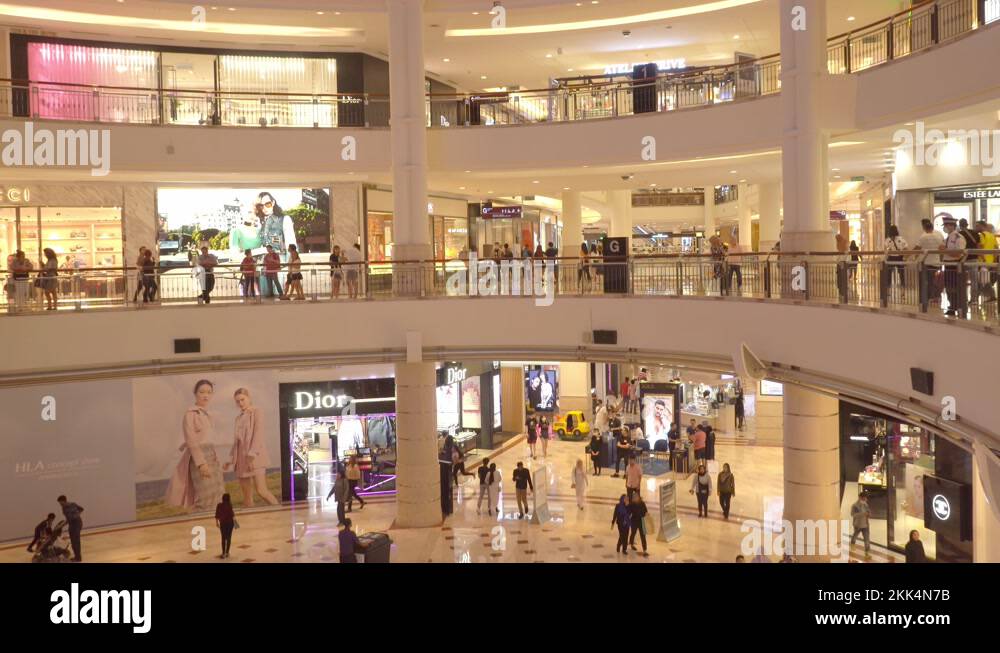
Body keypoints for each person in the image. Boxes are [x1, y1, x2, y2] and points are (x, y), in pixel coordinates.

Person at [165, 379, 225, 512]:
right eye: (202, 392)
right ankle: (199, 526)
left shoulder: (208, 415)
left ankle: (216, 528)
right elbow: (191, 440)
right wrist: (201, 464)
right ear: (195, 393)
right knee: (206, 498)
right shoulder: (190, 414)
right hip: (200, 458)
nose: (206, 395)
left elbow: (207, 438)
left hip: (212, 456)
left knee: (218, 494)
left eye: (209, 392)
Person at [225, 388, 279, 508]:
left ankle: (278, 511)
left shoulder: (257, 412)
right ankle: (251, 522)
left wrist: (251, 456)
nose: (240, 403)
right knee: (247, 497)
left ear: (249, 398)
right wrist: (230, 460)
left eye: (242, 399)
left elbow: (258, 435)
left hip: (255, 457)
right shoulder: (238, 418)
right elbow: (237, 442)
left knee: (261, 491)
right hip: (240, 459)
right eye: (237, 401)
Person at [914, 217, 945, 306]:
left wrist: (912, 256)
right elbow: (942, 248)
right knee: (934, 281)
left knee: (925, 281)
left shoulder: (923, 236)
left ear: (924, 227)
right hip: (936, 262)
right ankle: (935, 296)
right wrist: (941, 260)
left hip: (926, 263)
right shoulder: (939, 234)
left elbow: (917, 248)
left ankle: (925, 298)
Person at [940, 214, 967, 317]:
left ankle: (957, 307)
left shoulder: (958, 237)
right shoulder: (948, 238)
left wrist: (945, 250)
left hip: (955, 266)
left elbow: (959, 254)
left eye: (946, 225)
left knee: (955, 288)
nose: (945, 228)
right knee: (949, 287)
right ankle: (952, 306)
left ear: (952, 226)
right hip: (948, 265)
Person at [57, 495, 84, 562]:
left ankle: (78, 558)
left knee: (76, 542)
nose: (60, 505)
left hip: (77, 524)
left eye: (61, 503)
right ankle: (77, 557)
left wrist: (76, 515)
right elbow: (68, 519)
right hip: (72, 525)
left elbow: (81, 509)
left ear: (64, 501)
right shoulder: (65, 508)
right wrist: (61, 525)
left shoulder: (72, 505)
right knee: (73, 541)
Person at [850, 492, 872, 557]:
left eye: (866, 498)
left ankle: (867, 552)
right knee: (855, 535)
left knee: (867, 539)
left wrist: (869, 514)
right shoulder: (854, 505)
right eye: (864, 498)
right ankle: (852, 543)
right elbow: (853, 514)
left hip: (866, 525)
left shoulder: (866, 505)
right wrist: (863, 514)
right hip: (858, 524)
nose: (866, 499)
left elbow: (868, 512)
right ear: (860, 497)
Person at [214, 493, 235, 559]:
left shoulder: (219, 505)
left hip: (223, 523)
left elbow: (217, 514)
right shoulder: (230, 505)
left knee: (223, 538)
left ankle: (223, 553)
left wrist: (217, 523)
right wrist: (236, 524)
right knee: (229, 538)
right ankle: (227, 553)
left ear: (222, 498)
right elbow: (232, 515)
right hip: (230, 523)